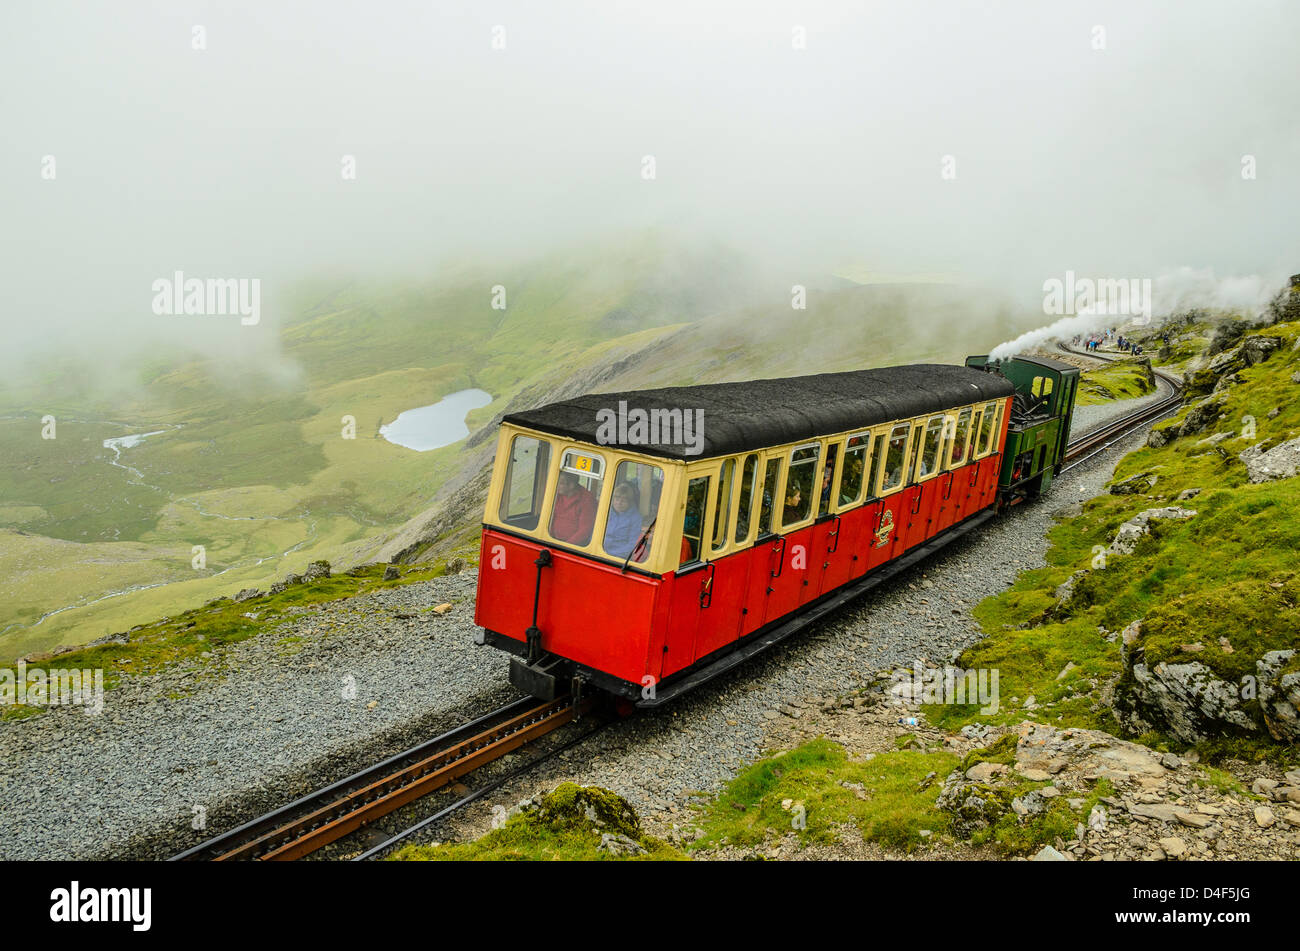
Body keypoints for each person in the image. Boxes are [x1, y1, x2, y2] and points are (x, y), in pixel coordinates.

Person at [550, 471, 596, 544]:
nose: (557, 485)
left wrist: (566, 546)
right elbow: (550, 517)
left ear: (571, 485)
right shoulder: (557, 494)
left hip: (574, 545)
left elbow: (585, 529)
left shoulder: (586, 499)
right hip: (552, 539)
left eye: (561, 483)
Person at [602, 482, 643, 558]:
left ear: (630, 502)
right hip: (600, 551)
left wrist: (611, 554)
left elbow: (632, 544)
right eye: (617, 499)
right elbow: (595, 532)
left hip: (619, 556)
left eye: (623, 500)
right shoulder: (606, 511)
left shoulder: (635, 518)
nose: (619, 503)